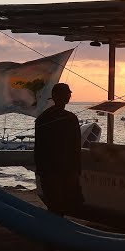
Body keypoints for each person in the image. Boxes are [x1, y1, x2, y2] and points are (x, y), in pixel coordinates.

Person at [34, 83, 83, 217]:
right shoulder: (65, 118)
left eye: (68, 94)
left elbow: (75, 147)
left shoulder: (44, 118)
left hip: (59, 169)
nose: (69, 96)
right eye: (67, 94)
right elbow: (75, 147)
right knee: (58, 205)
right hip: (55, 170)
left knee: (59, 206)